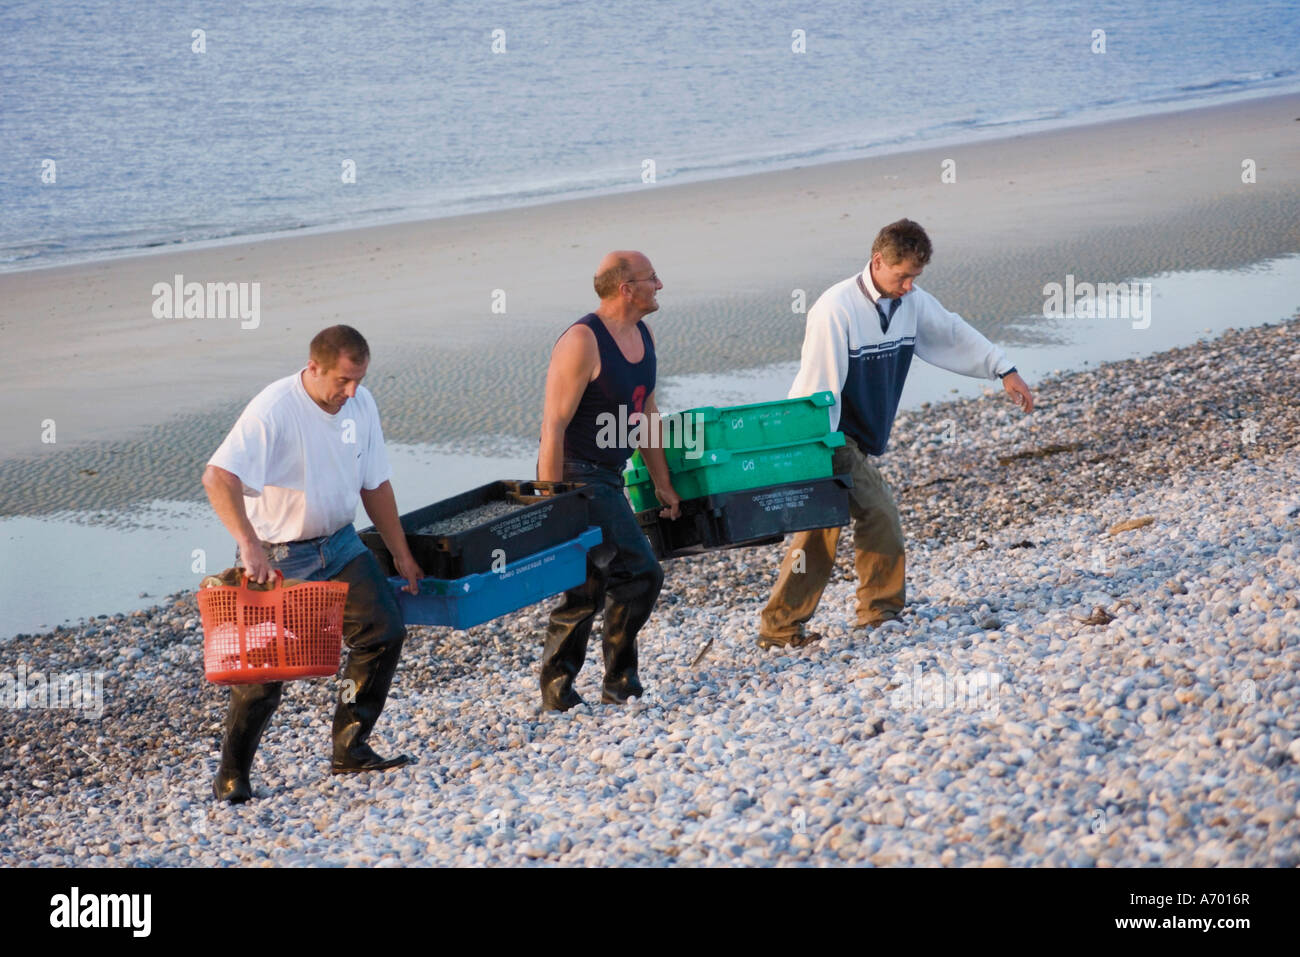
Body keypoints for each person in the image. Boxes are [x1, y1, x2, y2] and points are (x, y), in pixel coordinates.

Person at [758, 219, 1035, 649]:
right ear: (877, 261)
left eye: (914, 277)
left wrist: (1004, 369)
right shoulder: (836, 308)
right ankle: (878, 611)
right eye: (901, 275)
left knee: (818, 529)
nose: (908, 286)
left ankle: (779, 627)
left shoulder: (911, 303)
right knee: (880, 511)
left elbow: (952, 332)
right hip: (825, 433)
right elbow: (819, 385)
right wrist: (815, 452)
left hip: (855, 436)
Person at [202, 325, 424, 802]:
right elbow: (218, 477)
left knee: (383, 633)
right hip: (281, 556)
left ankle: (350, 748)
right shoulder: (274, 408)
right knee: (262, 674)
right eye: (343, 381)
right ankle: (231, 777)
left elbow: (375, 485)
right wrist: (248, 544)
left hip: (341, 545)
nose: (351, 392)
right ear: (314, 366)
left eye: (359, 380)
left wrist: (402, 553)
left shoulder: (361, 406)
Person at [535, 250, 682, 711]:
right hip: (579, 477)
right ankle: (621, 682)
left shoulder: (644, 333)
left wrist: (663, 484)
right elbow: (552, 426)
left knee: (589, 582)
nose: (659, 285)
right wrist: (551, 502)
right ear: (626, 288)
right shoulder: (582, 341)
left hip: (612, 474)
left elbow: (647, 415)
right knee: (641, 572)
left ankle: (558, 690)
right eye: (651, 278)